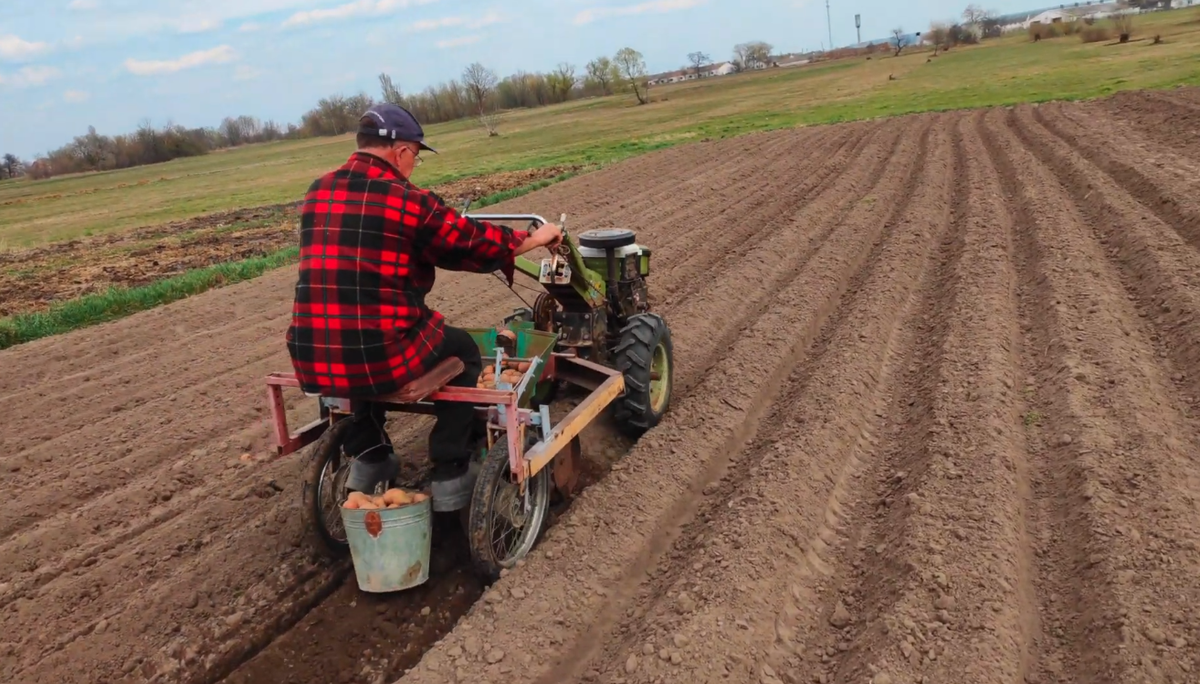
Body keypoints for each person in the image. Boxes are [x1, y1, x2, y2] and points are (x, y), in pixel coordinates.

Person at [285, 102, 562, 511]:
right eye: (415, 156)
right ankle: (451, 470)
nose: (413, 165)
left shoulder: (316, 192)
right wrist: (538, 238)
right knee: (463, 350)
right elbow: (471, 242)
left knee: (357, 340)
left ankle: (369, 454)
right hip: (378, 350)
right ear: (401, 152)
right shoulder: (406, 199)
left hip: (311, 352)